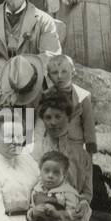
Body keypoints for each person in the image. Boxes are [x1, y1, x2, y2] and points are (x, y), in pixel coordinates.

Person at [37, 57, 97, 203]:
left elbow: (89, 125)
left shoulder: (83, 97)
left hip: (75, 142)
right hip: (53, 141)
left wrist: (90, 148)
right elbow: (42, 121)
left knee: (74, 171)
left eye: (64, 71)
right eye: (55, 72)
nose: (60, 76)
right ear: (48, 75)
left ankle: (75, 200)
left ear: (73, 71)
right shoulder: (46, 96)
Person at [27, 151, 89, 221]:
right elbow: (30, 208)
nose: (50, 175)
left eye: (56, 172)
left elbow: (75, 216)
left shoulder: (68, 192)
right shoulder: (36, 190)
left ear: (64, 175)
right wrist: (33, 212)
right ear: (40, 172)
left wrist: (57, 214)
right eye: (46, 171)